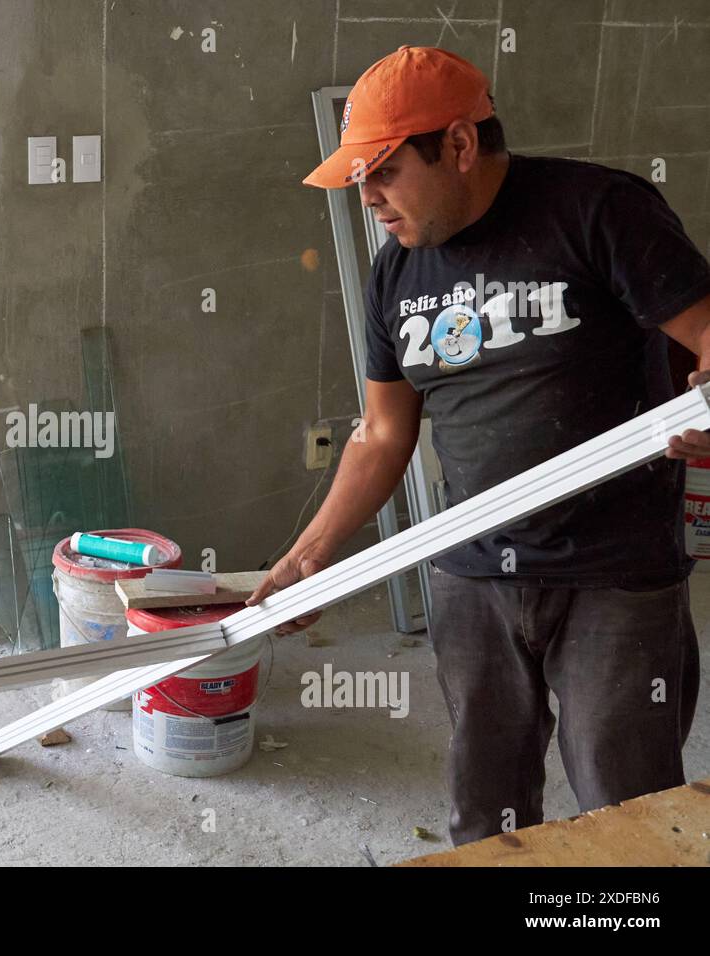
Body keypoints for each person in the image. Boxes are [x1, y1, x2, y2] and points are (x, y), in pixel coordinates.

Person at [249, 46, 710, 844]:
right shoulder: (396, 271)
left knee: (628, 808)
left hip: (614, 572)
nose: (368, 199)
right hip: (470, 570)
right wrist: (312, 554)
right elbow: (384, 430)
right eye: (359, 178)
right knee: (484, 807)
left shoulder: (599, 210)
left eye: (385, 171)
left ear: (459, 145)